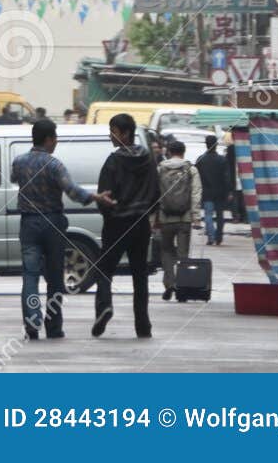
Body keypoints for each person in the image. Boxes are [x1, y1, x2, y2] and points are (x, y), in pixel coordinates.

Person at [12, 118, 113, 341]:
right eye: (55, 138)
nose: (56, 142)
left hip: (28, 224)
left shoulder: (18, 162)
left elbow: (13, 178)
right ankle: (53, 326)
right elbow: (72, 190)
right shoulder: (54, 165)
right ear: (48, 139)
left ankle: (32, 323)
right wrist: (95, 197)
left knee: (30, 275)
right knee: (55, 277)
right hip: (52, 223)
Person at [91, 113, 161, 340]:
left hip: (117, 224)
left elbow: (104, 196)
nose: (111, 136)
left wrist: (109, 214)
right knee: (140, 275)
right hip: (141, 225)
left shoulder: (114, 161)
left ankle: (104, 307)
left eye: (114, 132)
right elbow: (156, 193)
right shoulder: (148, 159)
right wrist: (148, 213)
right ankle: (143, 325)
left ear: (125, 133)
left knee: (104, 269)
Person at [154, 138, 201, 300]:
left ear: (169, 152)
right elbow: (196, 193)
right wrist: (196, 216)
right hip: (184, 218)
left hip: (165, 218)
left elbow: (154, 193)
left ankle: (169, 284)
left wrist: (153, 218)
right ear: (183, 152)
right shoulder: (191, 169)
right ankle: (182, 288)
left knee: (166, 252)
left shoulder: (160, 168)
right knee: (183, 254)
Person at [196, 135, 230, 245]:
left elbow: (197, 178)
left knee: (208, 215)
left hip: (206, 192)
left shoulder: (201, 160)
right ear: (216, 145)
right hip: (220, 192)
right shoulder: (222, 160)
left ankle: (211, 237)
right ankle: (218, 236)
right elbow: (226, 177)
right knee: (220, 215)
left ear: (206, 144)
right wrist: (229, 191)